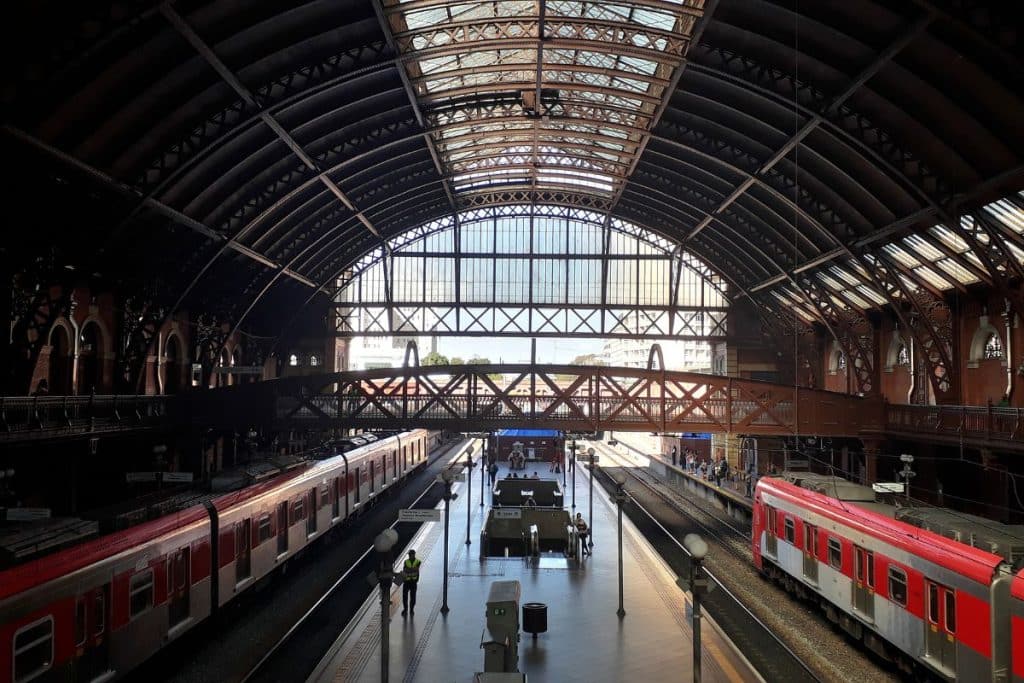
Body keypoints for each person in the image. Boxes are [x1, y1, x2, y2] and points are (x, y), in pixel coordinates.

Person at [401, 549, 421, 616]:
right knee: (404, 597)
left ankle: (411, 610)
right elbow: (406, 570)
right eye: (409, 555)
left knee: (413, 597)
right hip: (406, 581)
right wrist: (411, 570)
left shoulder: (418, 562)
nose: (409, 556)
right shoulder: (406, 562)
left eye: (410, 554)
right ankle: (405, 609)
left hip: (413, 582)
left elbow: (414, 569)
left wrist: (409, 570)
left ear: (413, 554)